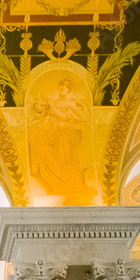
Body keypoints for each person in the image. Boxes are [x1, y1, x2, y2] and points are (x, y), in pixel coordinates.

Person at [28, 77, 93, 205]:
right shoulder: (52, 102)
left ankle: (68, 175)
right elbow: (45, 117)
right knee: (42, 147)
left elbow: (68, 118)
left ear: (69, 90)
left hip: (68, 133)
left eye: (66, 86)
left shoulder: (71, 104)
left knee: (63, 141)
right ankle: (57, 179)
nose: (63, 88)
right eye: (61, 85)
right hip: (54, 133)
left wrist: (53, 110)